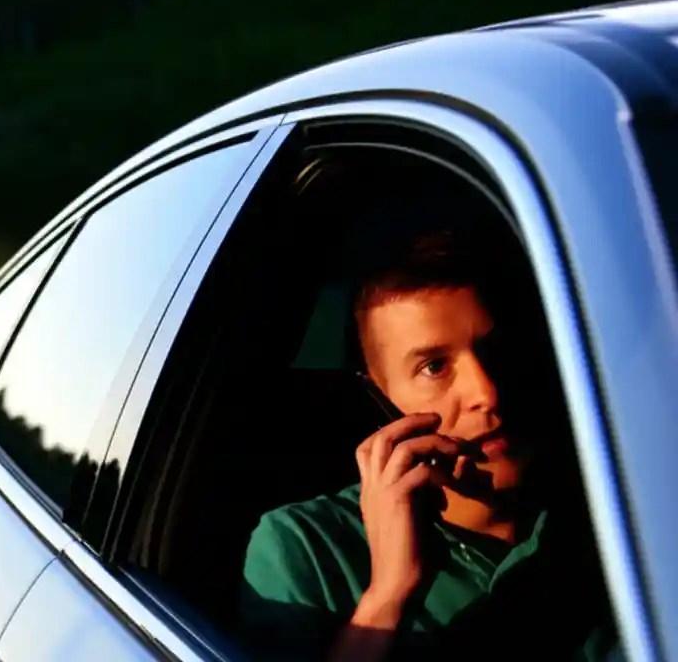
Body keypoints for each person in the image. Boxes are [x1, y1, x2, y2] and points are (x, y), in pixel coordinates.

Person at [238, 210, 616, 661]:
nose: (486, 392)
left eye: (495, 350)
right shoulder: (304, 548)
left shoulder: (616, 499)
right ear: (380, 397)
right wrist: (388, 595)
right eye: (434, 367)